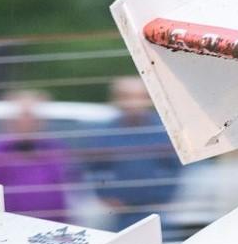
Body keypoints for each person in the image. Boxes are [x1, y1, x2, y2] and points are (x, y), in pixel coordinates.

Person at [79, 77, 184, 232]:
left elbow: (175, 168)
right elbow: (94, 169)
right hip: (120, 213)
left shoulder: (163, 131)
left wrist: (164, 196)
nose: (133, 103)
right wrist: (104, 195)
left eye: (140, 97)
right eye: (126, 96)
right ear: (116, 99)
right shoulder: (105, 133)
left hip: (157, 210)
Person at [0, 90, 76, 220]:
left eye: (32, 116)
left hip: (53, 224)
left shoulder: (54, 148)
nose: (27, 121)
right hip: (7, 224)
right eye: (23, 115)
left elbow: (70, 187)